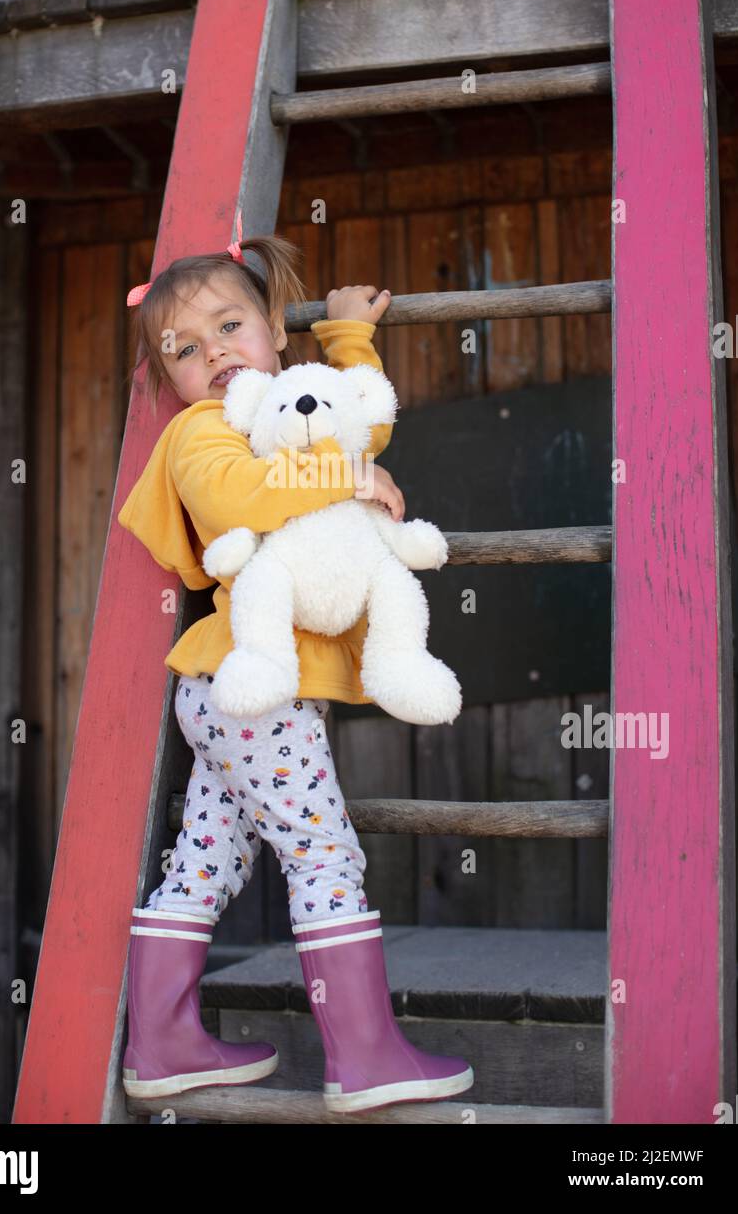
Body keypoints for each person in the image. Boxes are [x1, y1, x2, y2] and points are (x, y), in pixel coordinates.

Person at [116, 214, 473, 1113]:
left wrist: (349, 337)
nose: (215, 353)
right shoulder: (204, 435)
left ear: (277, 329)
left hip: (242, 697)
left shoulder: (289, 420)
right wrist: (346, 485)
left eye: (231, 326)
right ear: (172, 378)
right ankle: (363, 1056)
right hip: (249, 690)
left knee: (206, 855)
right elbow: (241, 497)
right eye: (185, 348)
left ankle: (161, 1042)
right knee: (323, 852)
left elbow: (362, 424)